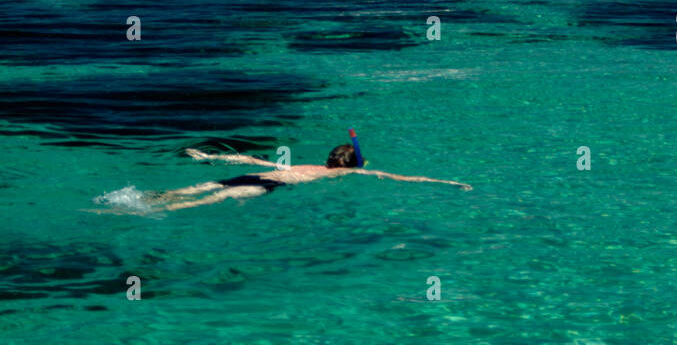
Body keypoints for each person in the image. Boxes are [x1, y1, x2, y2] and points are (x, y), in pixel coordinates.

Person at [147, 144, 471, 210]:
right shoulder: (351, 173)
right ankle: (160, 209)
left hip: (255, 173)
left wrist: (209, 157)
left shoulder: (302, 165)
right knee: (215, 200)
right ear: (352, 165)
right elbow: (404, 178)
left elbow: (250, 157)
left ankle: (155, 198)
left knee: (200, 188)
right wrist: (448, 183)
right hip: (271, 185)